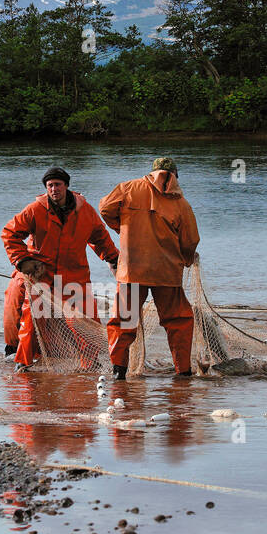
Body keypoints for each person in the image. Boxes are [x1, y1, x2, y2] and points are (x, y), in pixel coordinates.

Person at [2, 166, 119, 370]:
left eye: (57, 184)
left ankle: (90, 364)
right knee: (32, 320)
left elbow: (101, 238)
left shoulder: (86, 211)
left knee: (87, 321)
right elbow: (9, 234)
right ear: (46, 189)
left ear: (66, 186)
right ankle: (22, 362)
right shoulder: (35, 209)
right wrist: (23, 260)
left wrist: (114, 259)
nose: (54, 189)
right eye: (50, 186)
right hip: (42, 274)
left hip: (75, 274)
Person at [99, 157, 200, 380]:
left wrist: (124, 229)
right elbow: (190, 240)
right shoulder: (181, 203)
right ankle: (183, 372)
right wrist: (187, 258)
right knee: (178, 321)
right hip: (167, 273)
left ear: (152, 172)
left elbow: (105, 208)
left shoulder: (128, 188)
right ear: (175, 175)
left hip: (132, 270)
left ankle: (119, 371)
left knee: (124, 321)